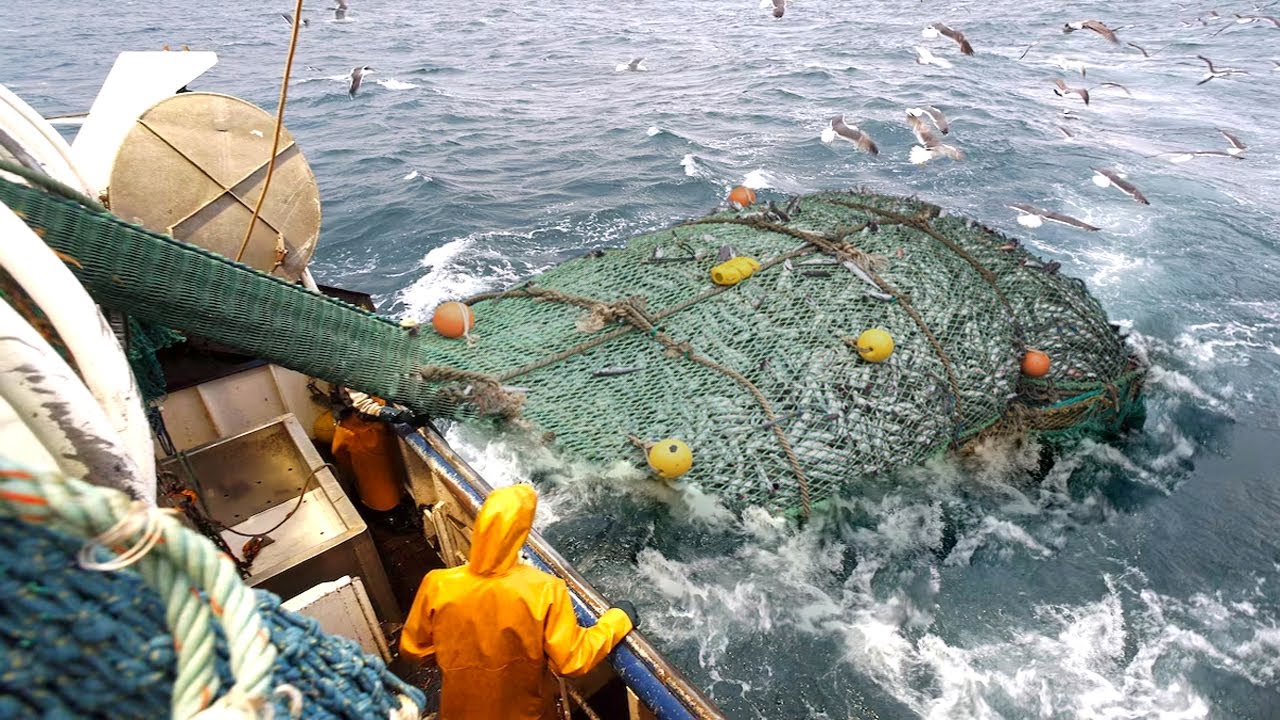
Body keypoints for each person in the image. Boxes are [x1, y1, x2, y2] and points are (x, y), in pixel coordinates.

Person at [399, 484, 637, 719]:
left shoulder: (438, 583)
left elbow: (414, 649)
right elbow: (573, 660)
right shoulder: (544, 589)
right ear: (521, 532)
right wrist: (618, 619)